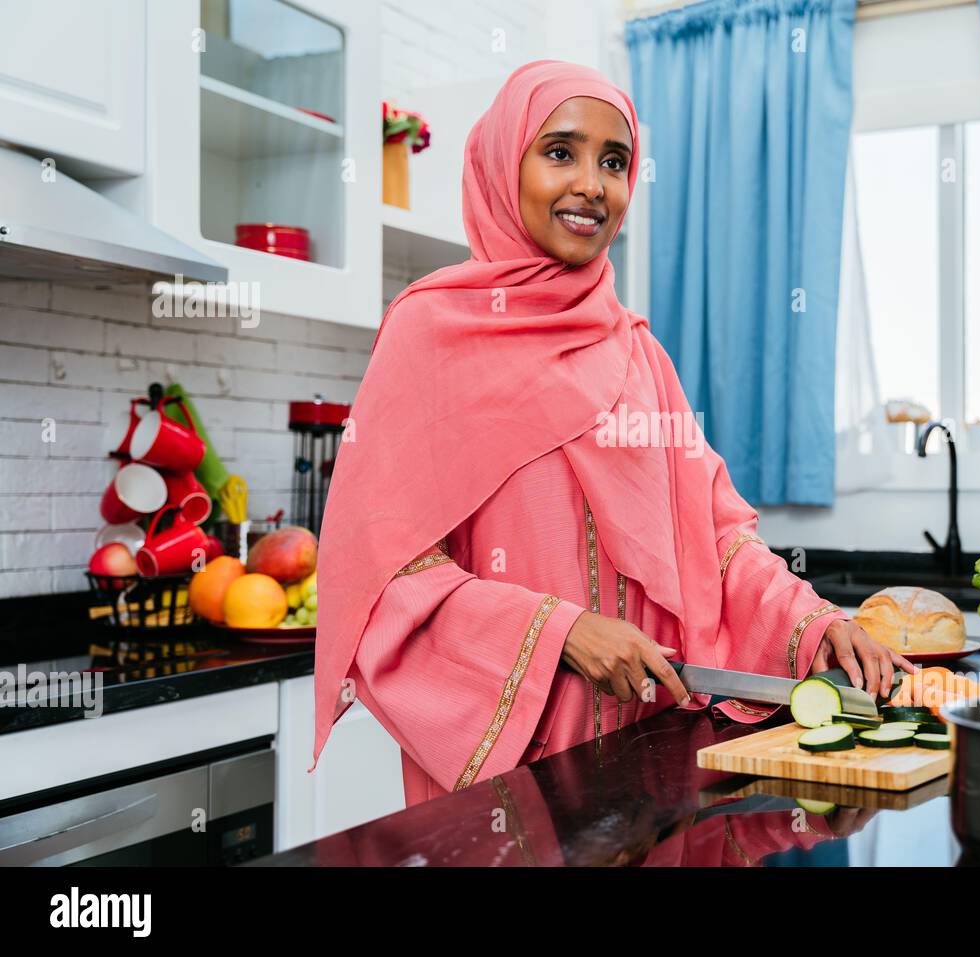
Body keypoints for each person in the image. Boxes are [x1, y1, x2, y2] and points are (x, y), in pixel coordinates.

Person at [312, 60, 913, 806]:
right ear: (505, 164)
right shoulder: (427, 337)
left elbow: (720, 543)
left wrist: (812, 622)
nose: (593, 184)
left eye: (615, 161)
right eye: (560, 152)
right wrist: (558, 631)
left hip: (648, 768)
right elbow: (382, 574)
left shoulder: (639, 356)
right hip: (510, 784)